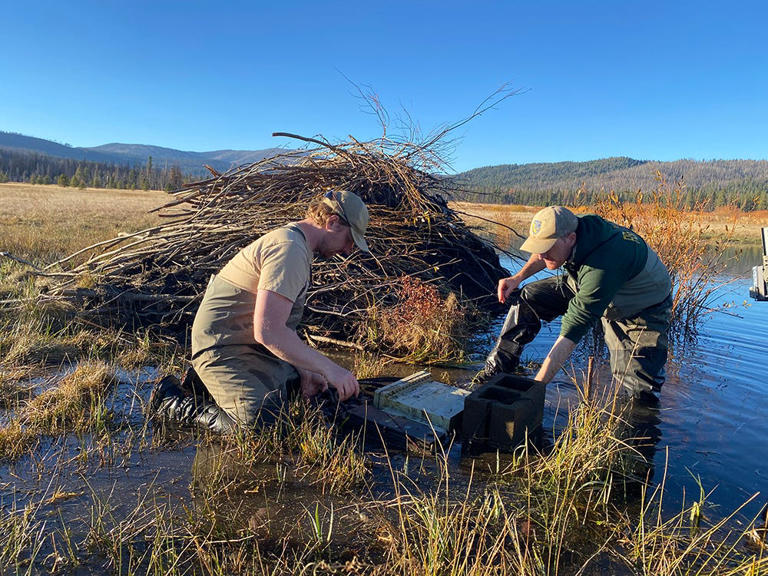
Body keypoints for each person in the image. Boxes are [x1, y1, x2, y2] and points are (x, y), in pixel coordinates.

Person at [150, 189, 370, 432]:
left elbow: (279, 327)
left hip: (247, 345)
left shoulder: (297, 245)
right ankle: (173, 402)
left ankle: (204, 385)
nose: (348, 250)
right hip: (221, 348)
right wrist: (330, 368)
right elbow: (268, 331)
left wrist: (306, 370)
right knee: (262, 425)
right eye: (350, 240)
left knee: (300, 390)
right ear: (333, 222)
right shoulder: (289, 249)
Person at [473, 206, 673, 400]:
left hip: (638, 306)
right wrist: (517, 278)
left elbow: (571, 333)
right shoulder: (571, 226)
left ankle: (639, 418)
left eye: (547, 248)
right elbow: (544, 252)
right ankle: (496, 371)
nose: (541, 254)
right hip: (593, 284)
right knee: (530, 296)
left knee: (639, 388)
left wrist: (534, 390)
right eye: (539, 247)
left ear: (570, 239)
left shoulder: (602, 266)